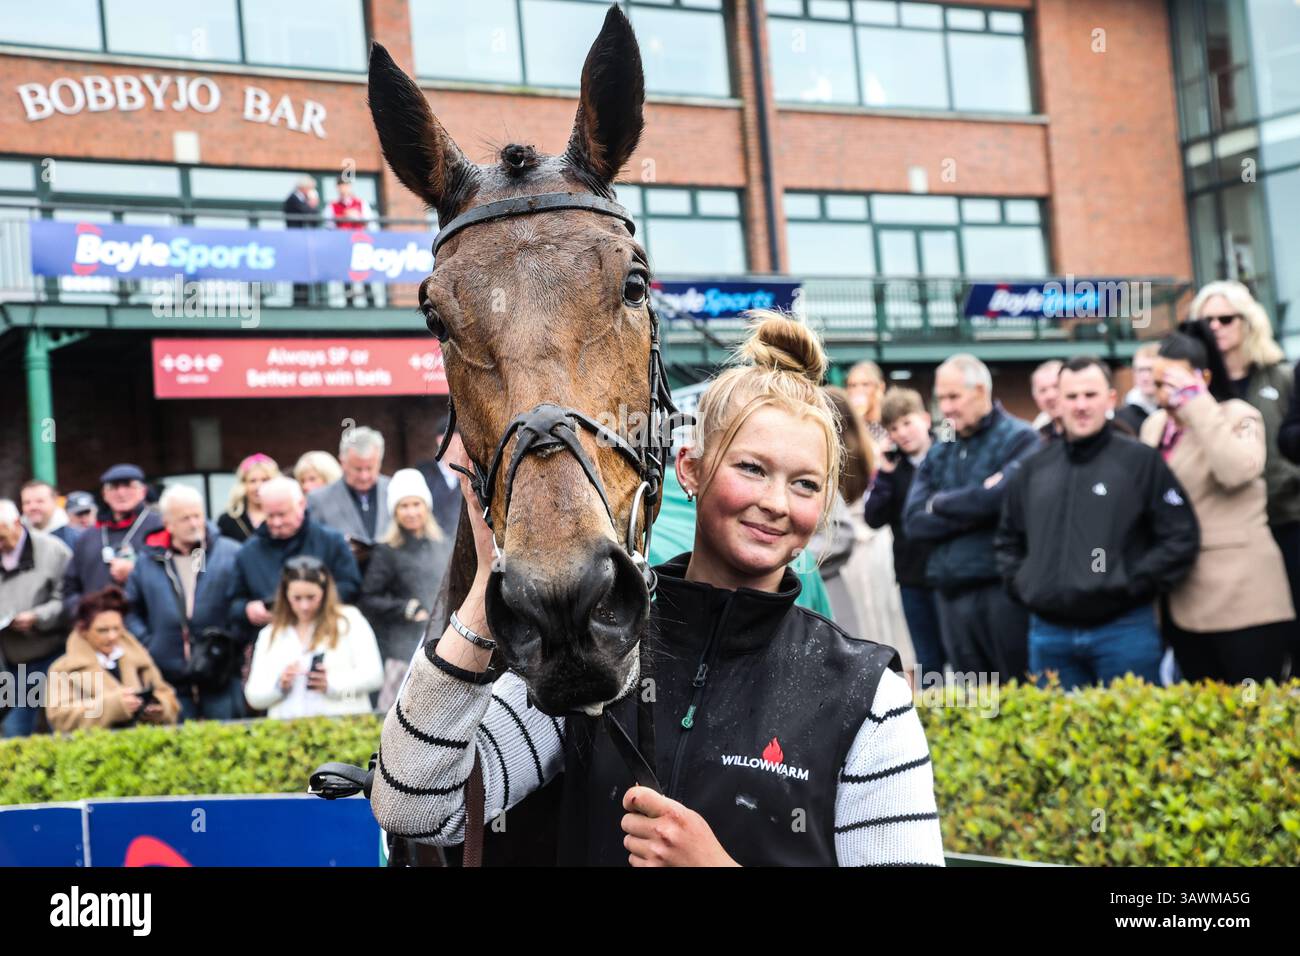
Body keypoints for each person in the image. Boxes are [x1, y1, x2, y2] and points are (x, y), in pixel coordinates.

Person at [371, 312, 945, 867]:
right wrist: (484, 591)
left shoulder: (867, 696)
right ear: (689, 470)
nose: (774, 502)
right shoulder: (595, 647)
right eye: (750, 468)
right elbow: (415, 806)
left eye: (804, 483)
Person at [995, 357, 1200, 689]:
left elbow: (1179, 537)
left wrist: (1130, 583)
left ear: (1110, 399)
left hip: (1124, 631)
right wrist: (1025, 585)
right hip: (1049, 635)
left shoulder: (1139, 461)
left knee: (1134, 736)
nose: (1081, 405)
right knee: (1055, 738)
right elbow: (1007, 540)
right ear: (1057, 402)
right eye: (1072, 396)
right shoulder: (1033, 468)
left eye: (1090, 395)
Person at [1140, 321, 1295, 682]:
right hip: (1181, 596)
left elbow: (1237, 471)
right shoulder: (1154, 426)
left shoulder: (1237, 415)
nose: (1166, 394)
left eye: (1176, 382)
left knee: (1253, 708)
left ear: (1203, 378)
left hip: (1242, 598)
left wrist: (1198, 405)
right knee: (1205, 714)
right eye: (1160, 383)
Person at [904, 354, 1039, 683]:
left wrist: (941, 503)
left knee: (1015, 697)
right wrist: (977, 505)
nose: (946, 408)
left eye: (953, 397)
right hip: (950, 595)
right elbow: (913, 520)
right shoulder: (944, 445)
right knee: (974, 706)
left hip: (1002, 593)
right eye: (941, 398)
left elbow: (1001, 501)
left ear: (980, 391)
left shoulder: (1020, 437)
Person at [1191, 281, 1300, 650]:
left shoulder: (1283, 377)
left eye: (1226, 318)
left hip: (1287, 518)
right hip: (1228, 532)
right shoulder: (1197, 390)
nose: (1217, 327)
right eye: (1207, 322)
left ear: (1248, 321)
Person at [125, 485, 244, 721]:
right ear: (168, 523)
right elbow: (130, 609)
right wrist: (149, 643)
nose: (194, 523)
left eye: (197, 515)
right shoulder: (148, 560)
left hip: (219, 672)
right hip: (169, 675)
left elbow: (243, 601)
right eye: (185, 518)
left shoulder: (230, 553)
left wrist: (230, 640)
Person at [819, 387, 914, 673]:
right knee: (892, 628)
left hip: (843, 547)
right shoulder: (871, 449)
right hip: (877, 546)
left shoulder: (823, 454)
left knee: (858, 630)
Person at [865, 387, 944, 681]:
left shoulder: (947, 457)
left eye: (907, 422)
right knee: (927, 656)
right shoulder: (894, 470)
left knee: (960, 653)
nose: (902, 432)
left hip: (948, 572)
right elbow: (873, 516)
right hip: (912, 576)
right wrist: (884, 473)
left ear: (925, 418)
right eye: (894, 428)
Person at [227, 477, 361, 644]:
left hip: (325, 637)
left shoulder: (331, 542)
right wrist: (247, 610)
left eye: (282, 514)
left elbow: (350, 587)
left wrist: (312, 603)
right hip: (271, 642)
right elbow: (233, 602)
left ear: (301, 505)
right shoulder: (248, 552)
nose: (276, 522)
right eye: (270, 515)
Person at [244, 556, 383, 719]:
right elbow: (254, 697)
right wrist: (279, 685)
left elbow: (375, 677)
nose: (304, 606)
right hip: (287, 735)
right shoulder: (270, 633)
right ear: (285, 595)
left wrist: (331, 685)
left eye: (311, 597)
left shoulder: (349, 621)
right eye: (297, 598)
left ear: (324, 593)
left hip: (343, 730)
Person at [360, 469, 453, 711]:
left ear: (426, 506)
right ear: (395, 511)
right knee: (396, 715)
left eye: (416, 504)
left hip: (443, 646)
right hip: (402, 651)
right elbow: (369, 599)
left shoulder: (443, 545)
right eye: (404, 506)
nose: (411, 512)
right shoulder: (387, 551)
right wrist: (406, 609)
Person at [46, 586, 179, 732]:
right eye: (102, 630)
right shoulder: (62, 669)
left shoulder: (140, 658)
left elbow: (167, 696)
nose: (112, 636)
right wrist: (112, 707)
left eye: (117, 628)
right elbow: (60, 719)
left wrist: (160, 707)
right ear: (83, 630)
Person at [0, 499, 72, 737]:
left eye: (2, 537)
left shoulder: (53, 550)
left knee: (63, 727)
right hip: (11, 662)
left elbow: (69, 599)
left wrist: (38, 617)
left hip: (53, 655)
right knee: (13, 734)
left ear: (17, 523)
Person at [62, 464, 164, 621]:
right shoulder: (88, 537)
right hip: (94, 628)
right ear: (104, 494)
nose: (121, 492)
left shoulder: (160, 527)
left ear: (142, 491)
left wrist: (136, 572)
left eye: (128, 485)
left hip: (146, 627)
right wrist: (82, 612)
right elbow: (70, 588)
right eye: (114, 487)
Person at [307, 426, 392, 565]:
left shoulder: (396, 490)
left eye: (370, 468)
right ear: (343, 462)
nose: (364, 476)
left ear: (379, 461)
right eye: (357, 469)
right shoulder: (319, 500)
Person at [413, 425, 465, 544]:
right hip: (429, 543)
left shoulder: (473, 476)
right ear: (439, 440)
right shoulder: (423, 473)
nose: (456, 442)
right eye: (451, 437)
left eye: (459, 437)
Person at [329, 177, 374, 307]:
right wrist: (343, 217)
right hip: (343, 245)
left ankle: (370, 300)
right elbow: (329, 225)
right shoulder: (332, 206)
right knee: (346, 273)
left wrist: (356, 217)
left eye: (346, 185)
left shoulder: (361, 203)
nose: (344, 189)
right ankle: (350, 302)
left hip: (360, 243)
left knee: (364, 272)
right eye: (341, 186)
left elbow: (370, 222)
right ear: (337, 188)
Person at [218, 453, 281, 543]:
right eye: (252, 481)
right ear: (243, 485)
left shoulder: (283, 516)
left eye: (265, 480)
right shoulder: (228, 520)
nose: (258, 487)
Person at [284, 176, 321, 306]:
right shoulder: (293, 199)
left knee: (306, 269)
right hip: (296, 240)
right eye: (310, 188)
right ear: (304, 187)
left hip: (305, 241)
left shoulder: (302, 200)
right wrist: (312, 204)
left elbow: (315, 218)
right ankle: (299, 300)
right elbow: (308, 212)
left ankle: (306, 299)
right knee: (298, 270)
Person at [1115, 343, 1160, 435]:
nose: (1145, 377)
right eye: (1140, 370)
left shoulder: (1176, 412)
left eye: (1150, 369)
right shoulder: (1121, 418)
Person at [19, 480, 79, 549]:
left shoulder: (73, 537)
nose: (33, 507)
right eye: (27, 502)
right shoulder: (18, 538)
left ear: (54, 501)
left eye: (39, 501)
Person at [845, 359, 889, 445]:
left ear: (881, 387)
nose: (858, 390)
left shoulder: (891, 422)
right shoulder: (847, 427)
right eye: (853, 385)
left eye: (865, 384)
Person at [1029, 359, 1063, 440]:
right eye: (1043, 390)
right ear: (1035, 398)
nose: (1050, 396)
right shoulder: (1036, 437)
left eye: (1056, 386)